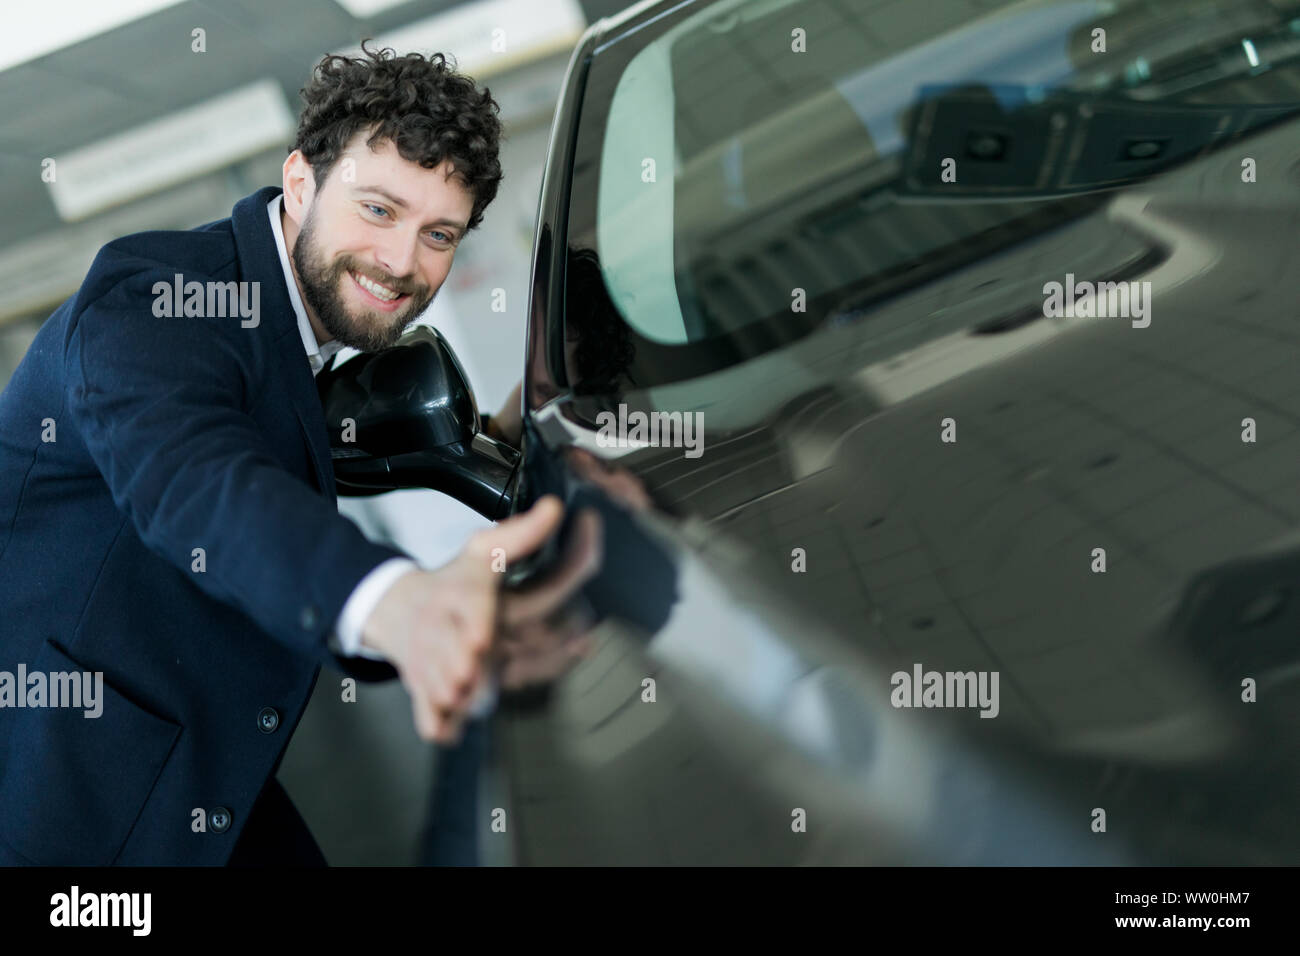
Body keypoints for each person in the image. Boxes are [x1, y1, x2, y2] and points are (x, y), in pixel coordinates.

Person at [0, 43, 595, 866]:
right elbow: (196, 483)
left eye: (439, 234)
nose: (401, 262)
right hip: (69, 820)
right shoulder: (154, 299)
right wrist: (392, 601)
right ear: (300, 180)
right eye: (379, 211)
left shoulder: (300, 332)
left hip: (210, 776)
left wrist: (516, 434)